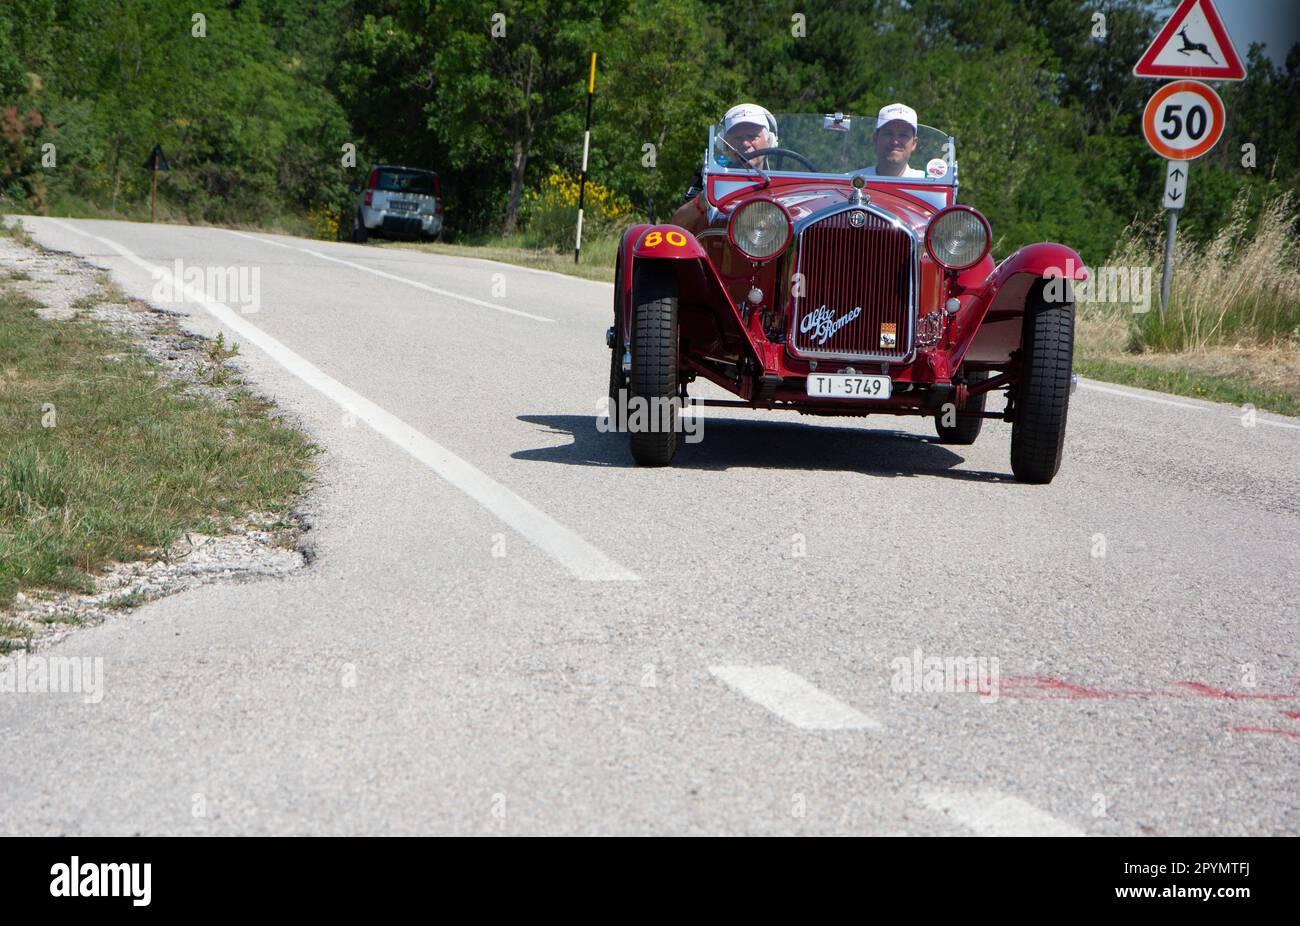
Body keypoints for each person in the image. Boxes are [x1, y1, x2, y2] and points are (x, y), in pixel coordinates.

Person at [684, 103, 778, 202]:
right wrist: (707, 197)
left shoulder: (784, 175)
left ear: (769, 141)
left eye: (752, 137)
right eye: (737, 138)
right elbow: (682, 212)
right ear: (724, 145)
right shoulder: (708, 177)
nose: (745, 144)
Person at [864, 103, 924, 178]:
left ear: (914, 143)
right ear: (876, 139)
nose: (895, 142)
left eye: (903, 135)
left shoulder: (927, 183)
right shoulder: (853, 181)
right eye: (888, 134)